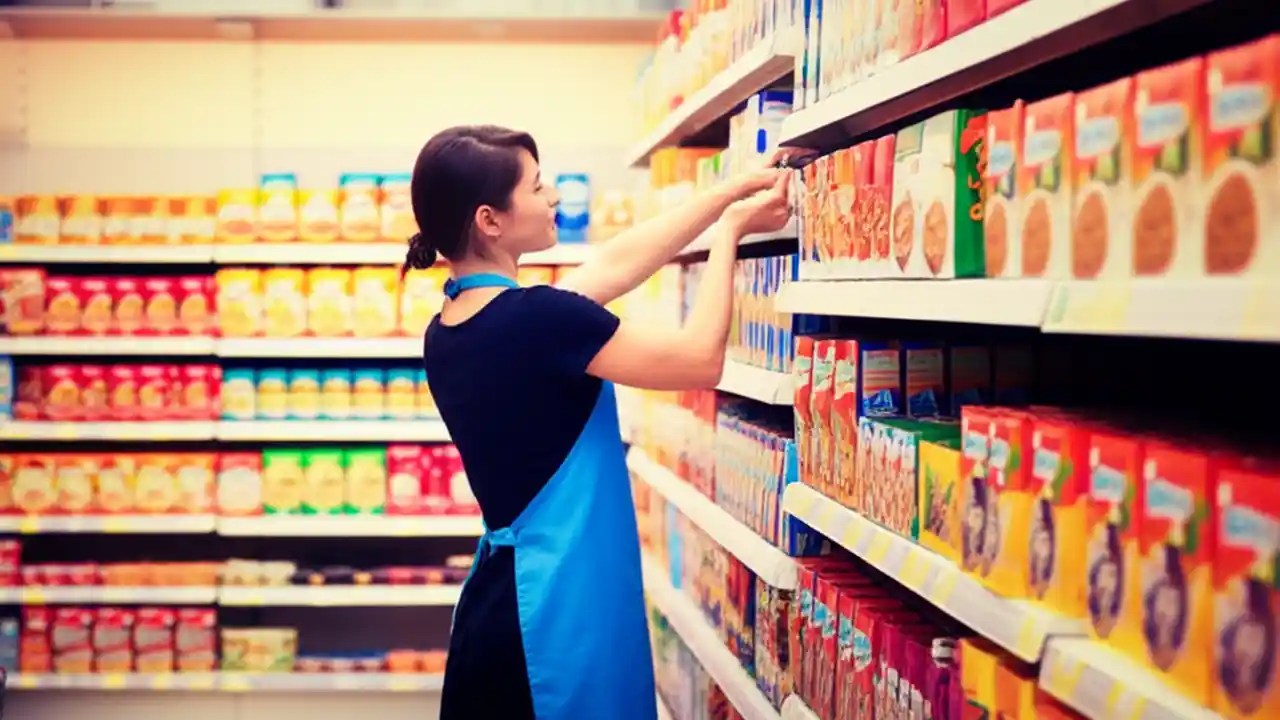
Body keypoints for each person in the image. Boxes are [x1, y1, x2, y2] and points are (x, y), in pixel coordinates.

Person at [407, 125, 794, 719]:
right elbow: (700, 360)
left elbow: (613, 263)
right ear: (491, 220)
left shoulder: (454, 325)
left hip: (498, 602)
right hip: (557, 614)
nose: (554, 196)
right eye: (537, 187)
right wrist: (731, 236)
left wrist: (726, 194)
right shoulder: (541, 321)